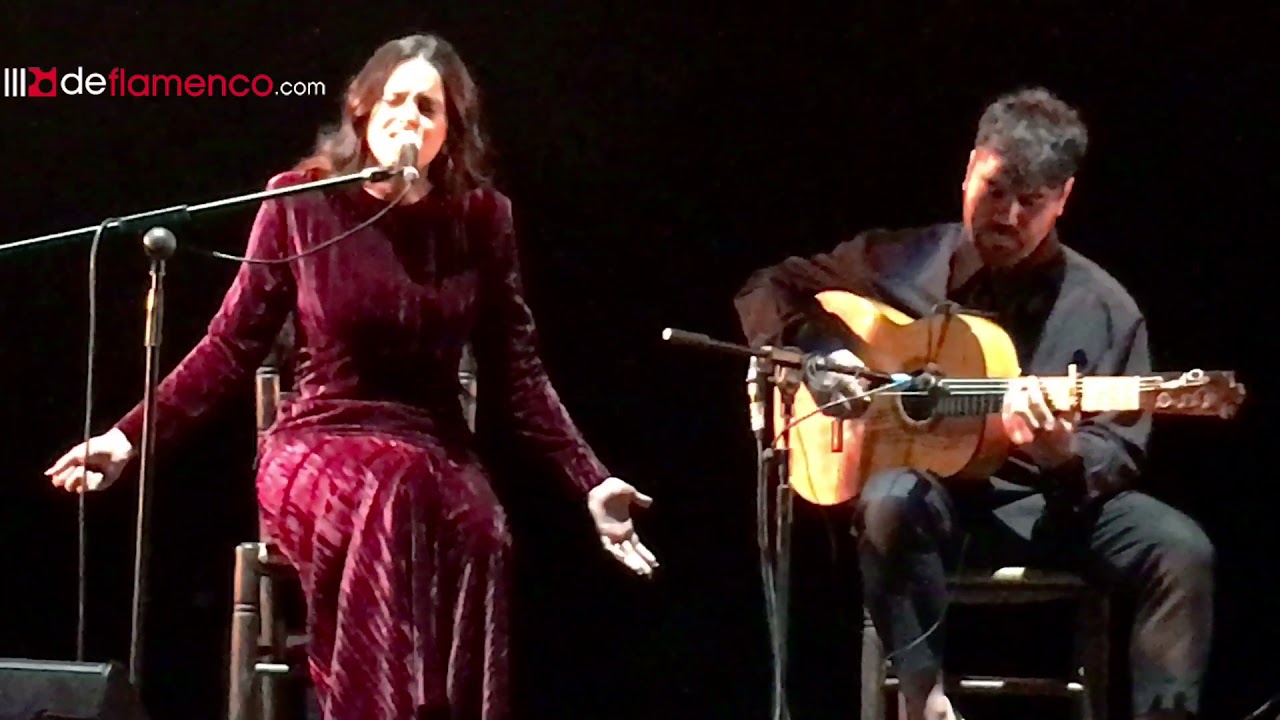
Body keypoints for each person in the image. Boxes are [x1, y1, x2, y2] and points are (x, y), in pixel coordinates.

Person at [45, 33, 658, 720]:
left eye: (429, 109)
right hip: (319, 442)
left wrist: (592, 480)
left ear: (449, 132)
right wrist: (126, 439)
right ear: (362, 111)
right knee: (391, 493)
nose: (409, 119)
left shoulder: (483, 219)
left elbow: (518, 369)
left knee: (483, 525)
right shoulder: (300, 201)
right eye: (395, 101)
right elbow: (230, 344)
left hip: (433, 448)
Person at [733, 87, 1213, 720]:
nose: (1008, 216)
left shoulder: (1104, 306)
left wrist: (1060, 455)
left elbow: (1120, 447)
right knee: (887, 499)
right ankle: (925, 702)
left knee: (1180, 548)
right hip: (930, 508)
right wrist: (821, 354)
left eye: (1032, 202)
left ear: (1063, 199)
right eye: (994, 192)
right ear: (968, 170)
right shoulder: (897, 262)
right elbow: (768, 287)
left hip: (1048, 509)